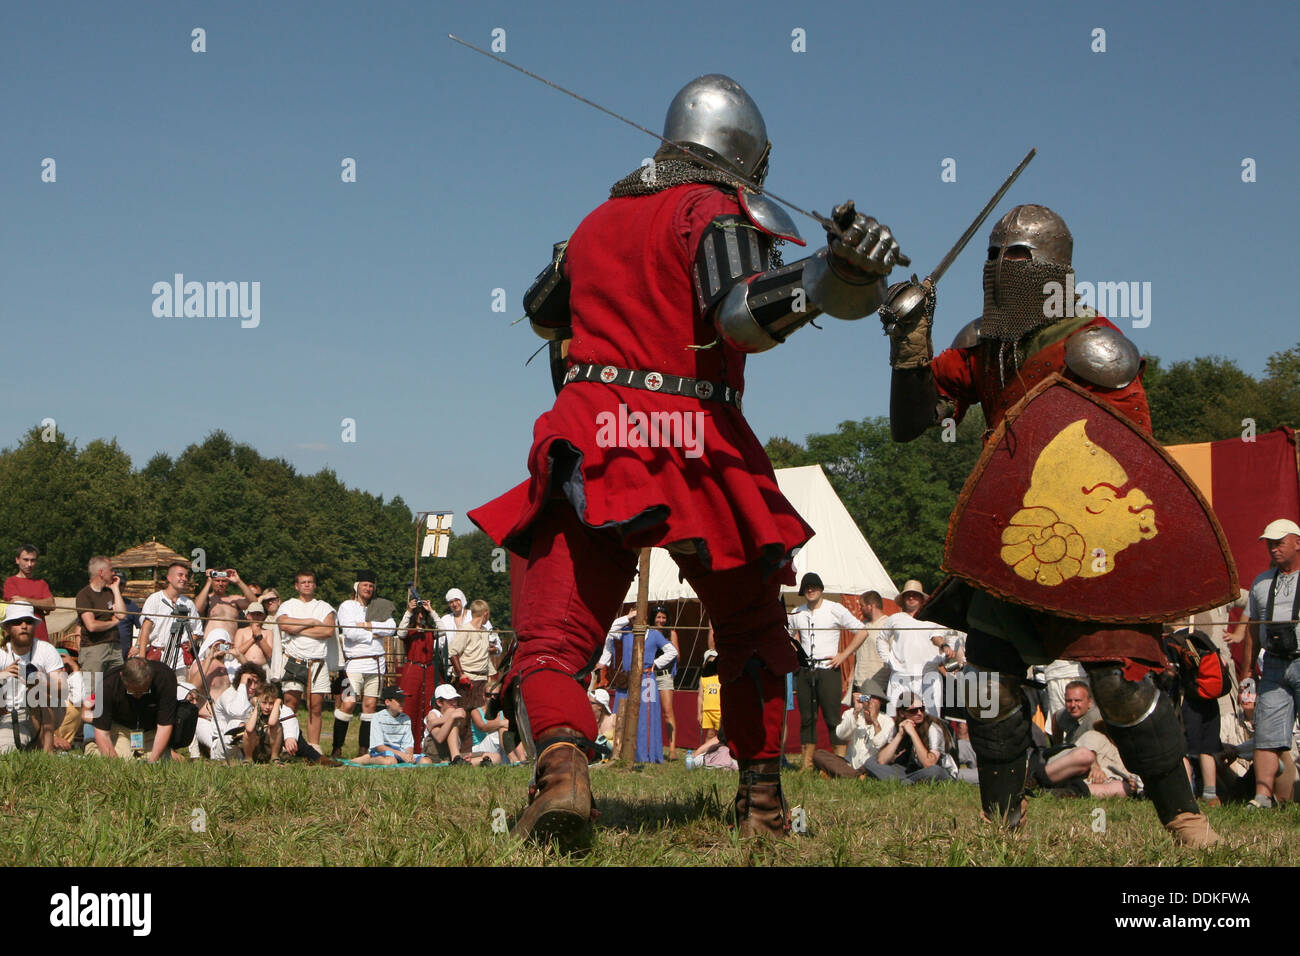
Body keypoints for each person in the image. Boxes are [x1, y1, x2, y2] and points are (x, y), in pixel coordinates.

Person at [469, 72, 904, 841]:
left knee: (553, 635)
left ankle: (564, 770)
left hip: (597, 431)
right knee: (750, 630)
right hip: (691, 433)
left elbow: (543, 314)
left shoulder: (596, 221)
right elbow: (738, 315)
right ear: (748, 155)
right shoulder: (714, 208)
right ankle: (764, 805)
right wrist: (828, 274)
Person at [884, 203, 1224, 846]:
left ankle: (1185, 817)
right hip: (1015, 542)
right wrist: (910, 343)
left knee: (1119, 686)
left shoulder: (1093, 345)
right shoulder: (981, 348)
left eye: (1015, 258)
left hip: (1091, 543)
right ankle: (1001, 824)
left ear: (1051, 271)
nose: (998, 269)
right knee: (991, 686)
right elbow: (910, 425)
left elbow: (1133, 456)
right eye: (992, 256)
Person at [1243, 518, 1300, 809]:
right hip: (1274, 666)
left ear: (1297, 543)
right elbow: (1253, 628)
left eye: (1279, 543)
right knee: (1265, 732)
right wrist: (1247, 670)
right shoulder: (1261, 583)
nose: (1273, 549)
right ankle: (1262, 797)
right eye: (1269, 544)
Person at [786, 572, 870, 767]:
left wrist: (844, 655)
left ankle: (838, 764)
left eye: (814, 586)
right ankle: (807, 764)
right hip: (806, 671)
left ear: (821, 589)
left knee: (833, 717)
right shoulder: (797, 612)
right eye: (807, 587)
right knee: (807, 718)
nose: (810, 590)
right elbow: (787, 638)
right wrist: (795, 656)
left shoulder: (835, 609)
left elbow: (862, 631)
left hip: (828, 669)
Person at [334, 571, 397, 758]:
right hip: (353, 665)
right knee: (348, 703)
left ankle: (364, 750)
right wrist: (374, 632)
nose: (368, 589)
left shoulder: (379, 607)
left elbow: (392, 627)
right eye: (365, 585)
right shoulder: (347, 606)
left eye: (371, 586)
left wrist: (367, 625)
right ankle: (337, 748)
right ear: (357, 586)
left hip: (376, 665)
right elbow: (350, 632)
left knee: (370, 706)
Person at [275, 570, 336, 752]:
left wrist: (297, 629)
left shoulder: (324, 606)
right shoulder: (288, 605)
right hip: (294, 659)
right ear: (296, 586)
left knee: (315, 707)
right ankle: (288, 743)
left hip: (317, 662)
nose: (307, 585)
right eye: (303, 582)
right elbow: (284, 624)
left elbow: (327, 631)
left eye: (310, 582)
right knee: (290, 704)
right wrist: (311, 621)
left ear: (315, 585)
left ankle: (313, 747)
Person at [0, 602, 65, 753]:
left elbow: (62, 686)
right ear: (8, 629)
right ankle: (33, 745)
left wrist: (40, 681)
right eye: (17, 622)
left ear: (34, 626)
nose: (24, 626)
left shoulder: (46, 649)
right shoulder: (2, 654)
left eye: (28, 622)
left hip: (49, 710)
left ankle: (47, 751)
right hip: (11, 716)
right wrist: (5, 674)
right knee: (6, 753)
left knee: (37, 693)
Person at [874, 580, 945, 716]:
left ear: (921, 598)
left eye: (915, 595)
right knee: (896, 717)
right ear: (903, 598)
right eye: (908, 595)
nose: (911, 598)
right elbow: (881, 639)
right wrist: (888, 659)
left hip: (928, 676)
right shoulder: (895, 619)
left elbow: (946, 640)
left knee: (931, 719)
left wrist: (942, 658)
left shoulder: (933, 619)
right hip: (901, 676)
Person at [89, 658, 176, 761]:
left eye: (144, 691)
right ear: (121, 676)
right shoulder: (107, 684)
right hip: (120, 730)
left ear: (150, 678)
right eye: (133, 692)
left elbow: (164, 726)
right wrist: (115, 765)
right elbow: (102, 732)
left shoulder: (165, 677)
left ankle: (167, 754)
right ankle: (90, 746)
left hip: (151, 730)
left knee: (159, 759)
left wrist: (153, 761)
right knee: (125, 759)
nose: (139, 696)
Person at [863, 691, 957, 784]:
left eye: (922, 709)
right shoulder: (899, 726)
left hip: (939, 771)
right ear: (902, 713)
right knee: (871, 761)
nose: (919, 713)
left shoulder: (933, 728)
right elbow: (882, 760)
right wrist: (900, 735)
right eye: (913, 711)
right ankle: (906, 782)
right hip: (912, 770)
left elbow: (929, 763)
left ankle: (898, 781)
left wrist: (913, 733)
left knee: (934, 771)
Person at [812, 688, 896, 779]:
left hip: (872, 766)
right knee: (818, 754)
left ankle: (839, 774)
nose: (870, 703)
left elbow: (879, 743)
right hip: (849, 764)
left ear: (880, 703)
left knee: (875, 766)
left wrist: (875, 721)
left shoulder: (888, 721)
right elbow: (841, 735)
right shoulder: (851, 713)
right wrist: (856, 713)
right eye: (867, 698)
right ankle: (856, 775)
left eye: (874, 700)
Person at [136, 561, 202, 676]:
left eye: (186, 576)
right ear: (169, 578)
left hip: (180, 660)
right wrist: (142, 659)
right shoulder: (155, 599)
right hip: (157, 657)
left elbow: (197, 630)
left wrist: (190, 644)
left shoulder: (189, 604)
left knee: (180, 692)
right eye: (180, 575)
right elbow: (145, 629)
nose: (184, 579)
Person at [397, 595, 443, 736]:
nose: (421, 616)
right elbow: (400, 632)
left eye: (423, 613)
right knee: (410, 706)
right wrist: (409, 611)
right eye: (418, 613)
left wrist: (432, 611)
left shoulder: (430, 631)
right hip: (413, 671)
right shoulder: (409, 631)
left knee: (428, 706)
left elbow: (443, 631)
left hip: (428, 671)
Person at [353, 687, 432, 765]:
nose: (402, 703)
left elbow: (408, 744)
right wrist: (401, 755)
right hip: (383, 753)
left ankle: (371, 758)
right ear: (387, 702)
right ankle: (367, 760)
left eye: (403, 700)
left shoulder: (406, 719)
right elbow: (379, 747)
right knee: (390, 761)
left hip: (401, 753)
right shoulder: (378, 717)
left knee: (426, 762)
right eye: (399, 700)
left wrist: (409, 756)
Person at [77, 556, 127, 677]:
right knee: (94, 692)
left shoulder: (109, 592)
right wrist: (114, 622)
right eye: (111, 570)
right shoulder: (84, 595)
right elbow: (92, 626)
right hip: (94, 649)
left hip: (115, 648)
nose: (114, 573)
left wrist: (115, 589)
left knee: (116, 687)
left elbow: (122, 614)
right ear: (101, 572)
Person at [4, 545, 55, 644]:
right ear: (17, 560)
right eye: (26, 560)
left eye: (33, 560)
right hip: (19, 638)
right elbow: (16, 603)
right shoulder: (10, 582)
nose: (29, 564)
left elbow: (52, 605)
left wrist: (25, 600)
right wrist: (40, 604)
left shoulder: (41, 583)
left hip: (41, 638)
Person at [649, 607, 682, 759]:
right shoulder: (648, 632)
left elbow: (677, 655)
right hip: (648, 676)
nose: (661, 620)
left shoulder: (671, 633)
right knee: (648, 711)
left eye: (663, 617)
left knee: (668, 712)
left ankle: (672, 749)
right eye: (658, 617)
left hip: (664, 675)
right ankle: (650, 745)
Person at [1050, 680, 1102, 748]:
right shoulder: (1064, 714)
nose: (1073, 705)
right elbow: (1056, 717)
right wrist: (1057, 747)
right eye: (1069, 701)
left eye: (1077, 700)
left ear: (1089, 702)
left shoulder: (1097, 718)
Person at [422, 684, 467, 762]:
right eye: (450, 700)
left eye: (455, 699)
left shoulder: (457, 711)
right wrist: (451, 717)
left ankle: (456, 758)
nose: (454, 703)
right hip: (433, 754)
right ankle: (455, 759)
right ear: (439, 702)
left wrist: (433, 723)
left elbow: (462, 713)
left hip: (450, 754)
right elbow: (439, 738)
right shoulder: (433, 713)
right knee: (452, 723)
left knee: (494, 757)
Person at [696, 649, 722, 753]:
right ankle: (706, 754)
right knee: (710, 734)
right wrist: (699, 712)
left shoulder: (721, 677)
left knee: (721, 734)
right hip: (707, 711)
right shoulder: (703, 679)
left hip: (719, 710)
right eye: (709, 662)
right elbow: (700, 696)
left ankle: (721, 753)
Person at [234, 601, 271, 668]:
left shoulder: (268, 632)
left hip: (262, 668)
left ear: (263, 616)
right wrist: (253, 639)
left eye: (259, 614)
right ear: (247, 616)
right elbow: (237, 652)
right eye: (253, 614)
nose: (256, 617)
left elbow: (270, 654)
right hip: (244, 667)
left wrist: (259, 637)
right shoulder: (241, 631)